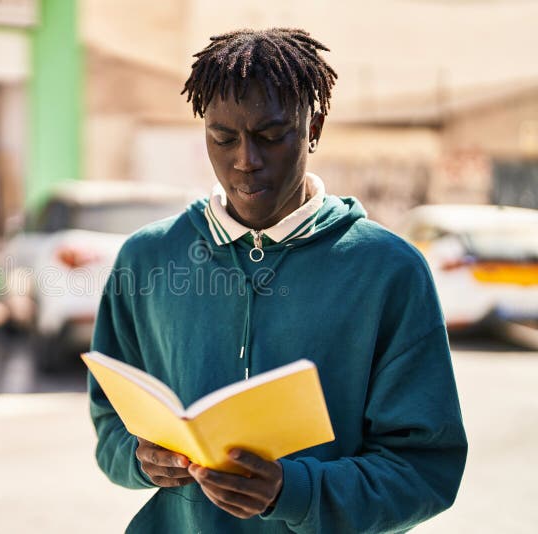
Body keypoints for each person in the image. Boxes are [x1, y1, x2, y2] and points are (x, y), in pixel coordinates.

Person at [88, 28, 467, 533]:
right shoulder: (147, 257)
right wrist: (139, 459)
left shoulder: (388, 270)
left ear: (315, 126)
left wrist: (294, 491)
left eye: (271, 135)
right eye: (223, 138)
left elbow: (424, 469)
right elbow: (110, 422)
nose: (245, 160)